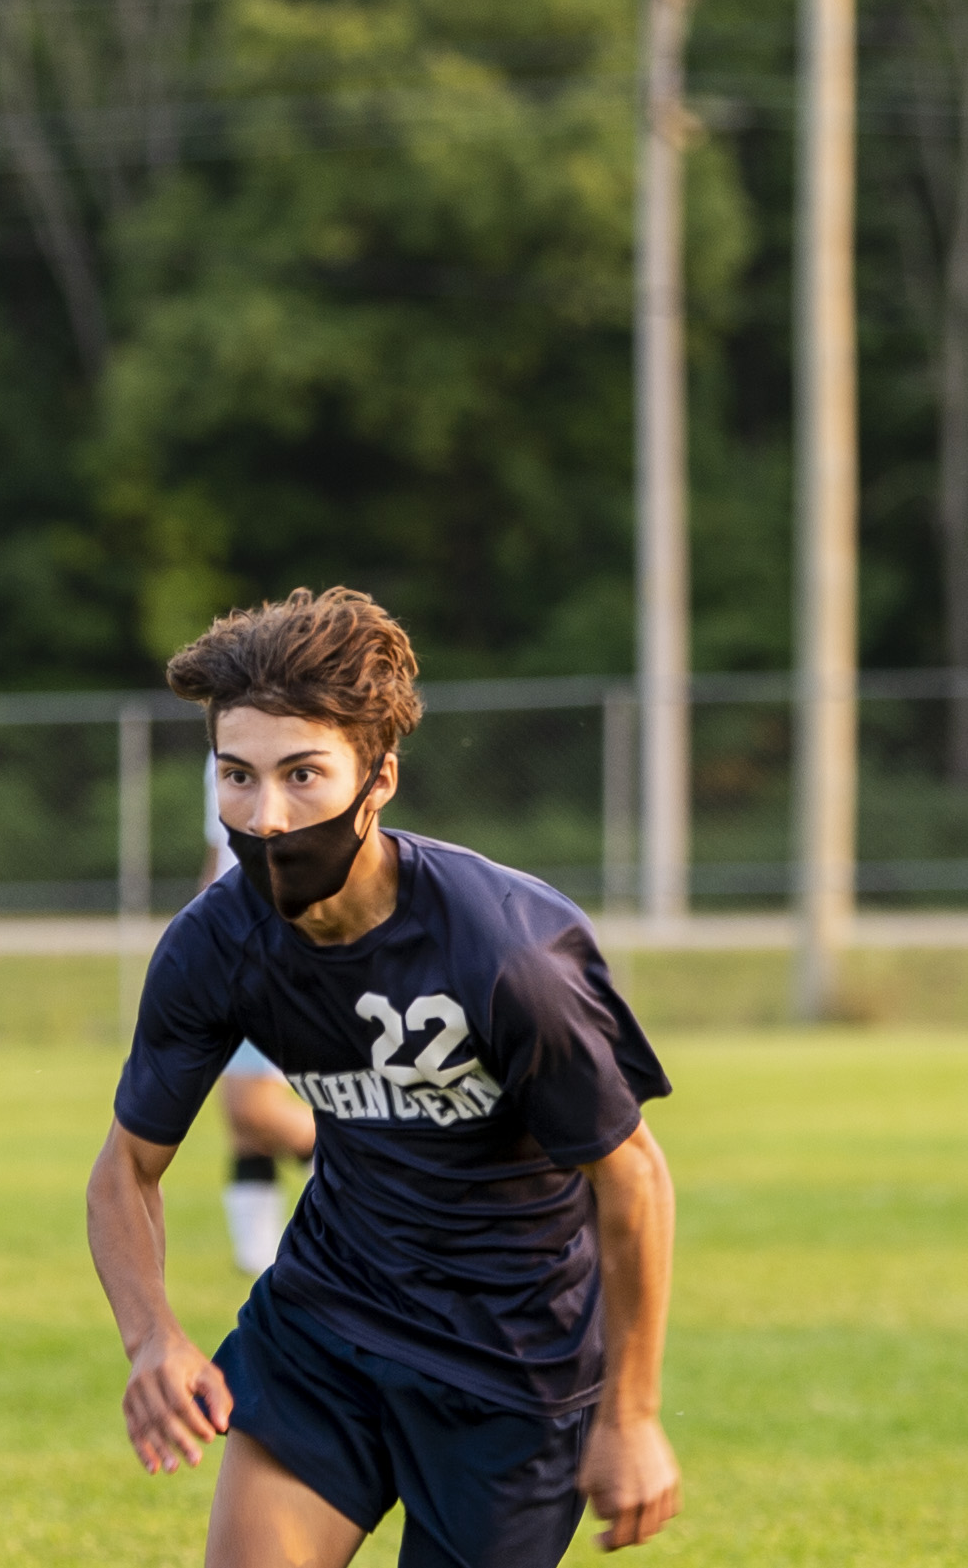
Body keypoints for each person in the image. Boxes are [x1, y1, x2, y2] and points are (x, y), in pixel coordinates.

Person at [88, 588, 680, 1564]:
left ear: (381, 778)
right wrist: (151, 1335)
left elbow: (634, 1179)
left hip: (511, 1371)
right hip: (324, 1332)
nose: (267, 818)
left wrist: (634, 1414)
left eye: (304, 776)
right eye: (236, 777)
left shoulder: (507, 954)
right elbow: (125, 1170)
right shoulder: (213, 946)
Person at [200, 753, 317, 1275]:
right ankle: (260, 1262)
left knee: (251, 1108)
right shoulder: (225, 753)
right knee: (244, 1124)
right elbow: (218, 855)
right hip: (236, 942)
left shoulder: (280, 744)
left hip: (273, 942)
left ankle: (382, 1180)